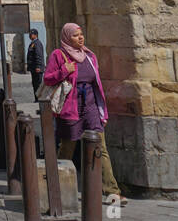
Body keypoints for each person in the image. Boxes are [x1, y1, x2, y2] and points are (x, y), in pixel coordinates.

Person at [43, 22, 126, 204]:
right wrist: (65, 70)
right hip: (70, 107)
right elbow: (47, 79)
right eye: (75, 35)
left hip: (90, 106)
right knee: (67, 149)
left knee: (100, 148)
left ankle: (112, 191)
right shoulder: (59, 55)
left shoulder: (89, 56)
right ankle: (56, 187)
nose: (80, 38)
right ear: (66, 38)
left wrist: (101, 111)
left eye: (81, 34)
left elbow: (97, 85)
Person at [27, 28, 45, 96]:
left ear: (35, 35)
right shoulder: (33, 43)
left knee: (38, 84)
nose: (30, 36)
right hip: (33, 68)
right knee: (35, 84)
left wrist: (38, 66)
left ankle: (40, 98)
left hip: (37, 68)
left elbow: (38, 56)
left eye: (31, 34)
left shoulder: (37, 43)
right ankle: (37, 98)